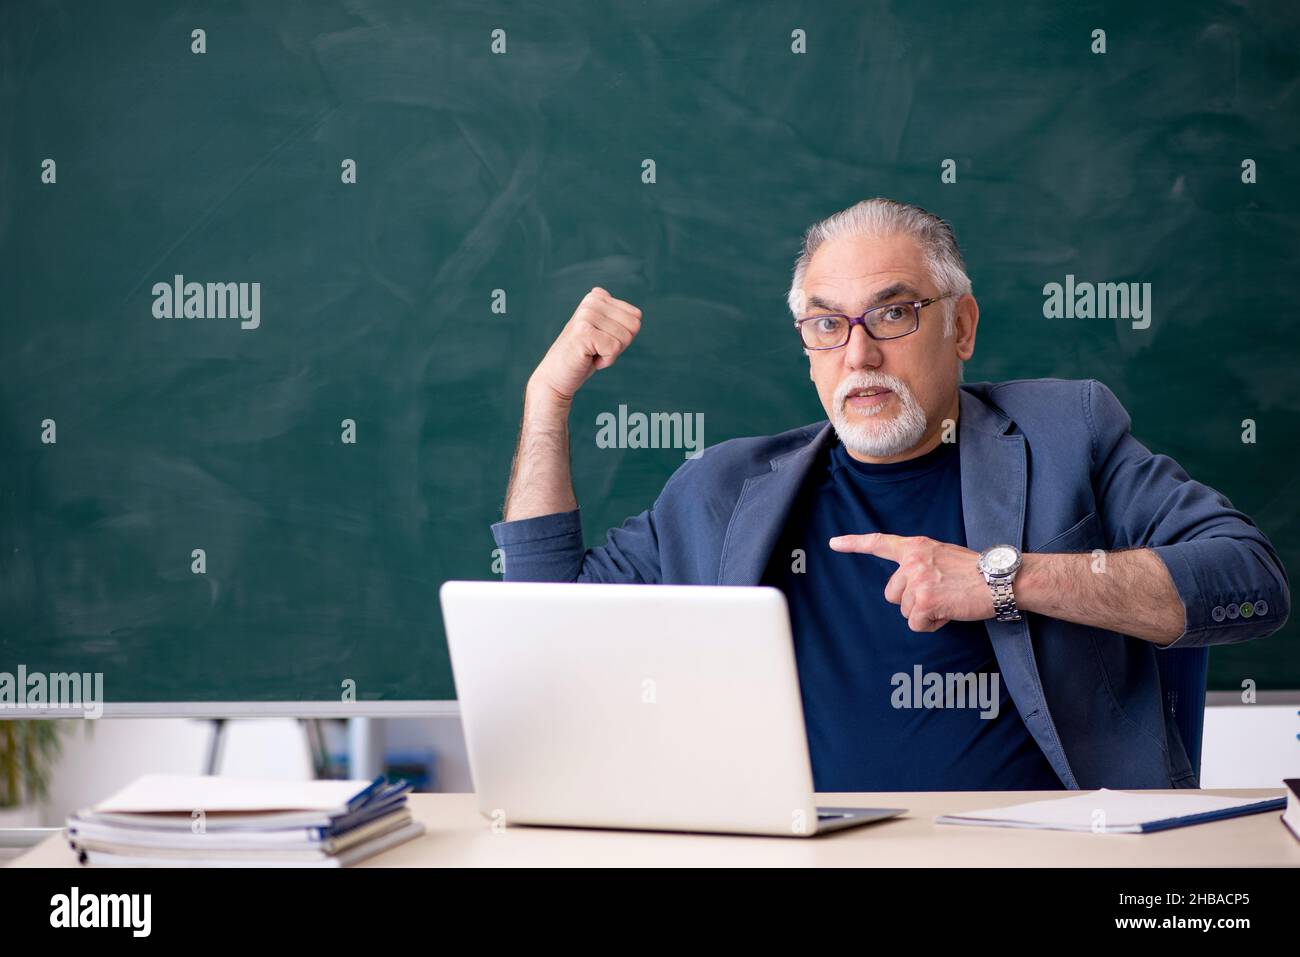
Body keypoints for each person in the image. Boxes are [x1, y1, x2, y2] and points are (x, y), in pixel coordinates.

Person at [489, 197, 1289, 791]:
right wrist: (547, 399)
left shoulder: (1065, 432)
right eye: (827, 323)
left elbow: (1252, 585)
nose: (860, 353)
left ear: (962, 327)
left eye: (894, 313)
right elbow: (547, 632)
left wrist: (1004, 580)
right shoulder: (723, 488)